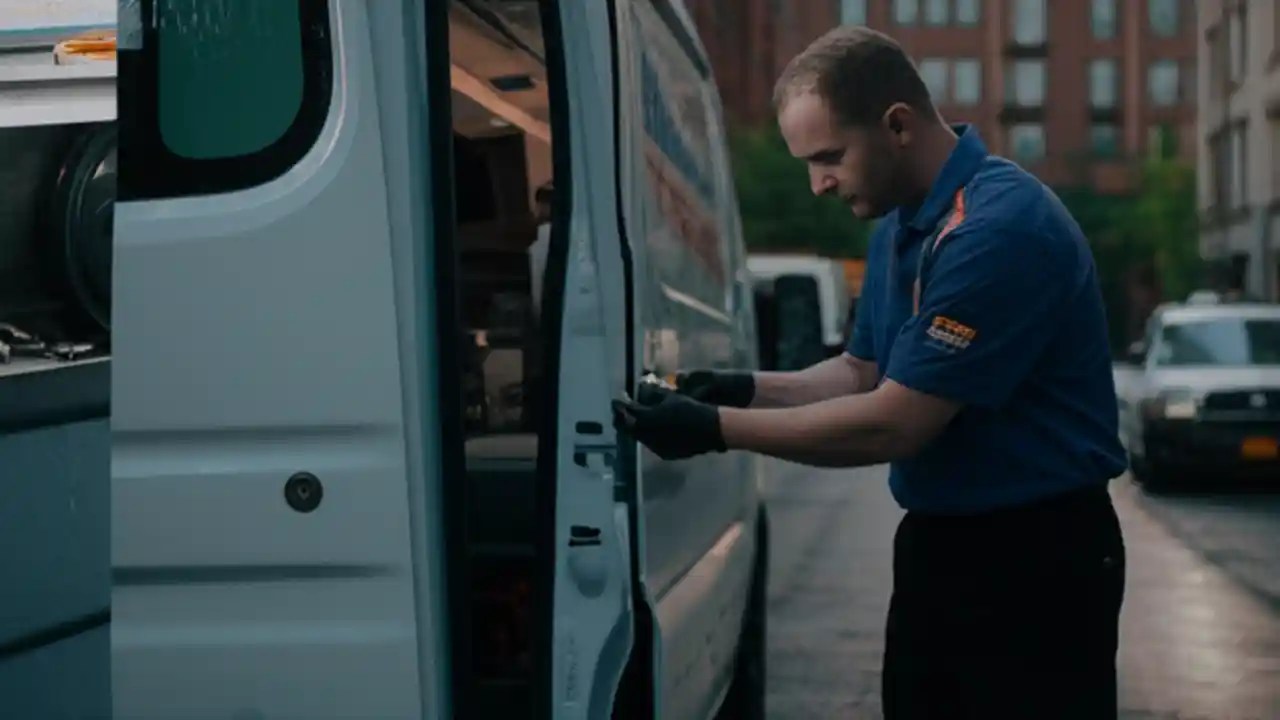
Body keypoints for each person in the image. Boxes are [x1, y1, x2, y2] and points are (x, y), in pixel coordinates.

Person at [613, 26, 1128, 719]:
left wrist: (715, 428)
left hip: (1035, 557)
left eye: (828, 157)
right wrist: (741, 387)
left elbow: (895, 423)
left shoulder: (998, 230)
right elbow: (863, 371)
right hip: (942, 544)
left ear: (897, 125)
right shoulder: (900, 221)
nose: (817, 183)